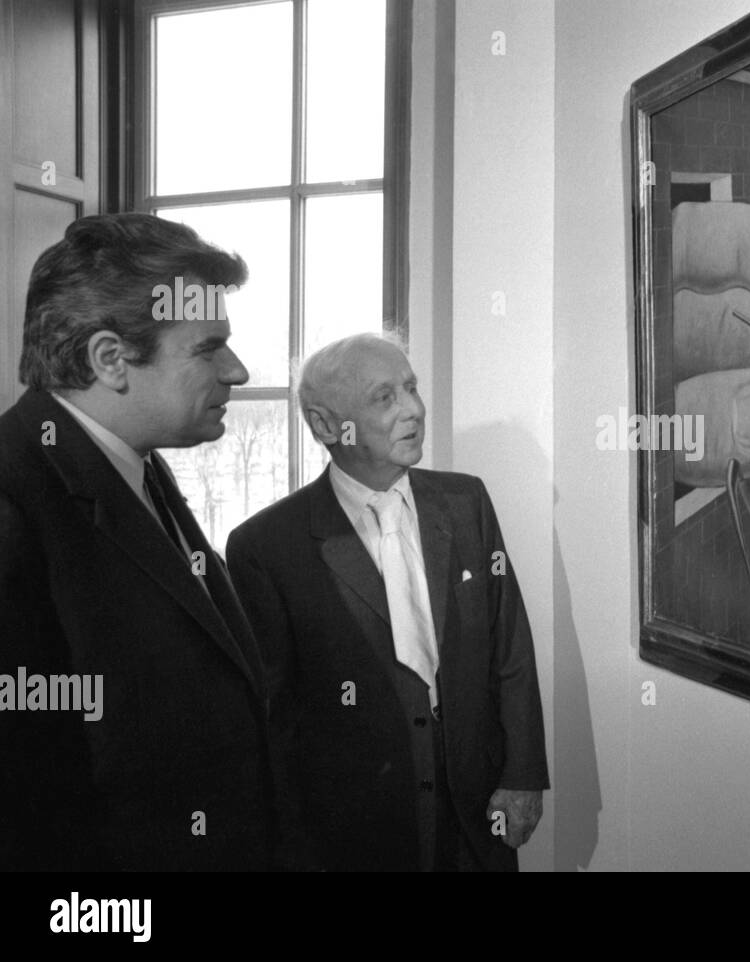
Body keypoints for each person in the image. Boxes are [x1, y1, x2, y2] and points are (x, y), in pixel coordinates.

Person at [0, 212, 277, 870]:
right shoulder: (13, 500)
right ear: (109, 359)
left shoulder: (138, 468)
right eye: (208, 347)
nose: (236, 371)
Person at [226, 333, 548, 872]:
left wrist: (523, 776)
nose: (414, 409)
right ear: (327, 426)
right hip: (355, 831)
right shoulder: (267, 546)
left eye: (411, 388)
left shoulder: (466, 502)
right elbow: (273, 715)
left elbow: (510, 648)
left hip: (477, 810)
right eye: (384, 397)